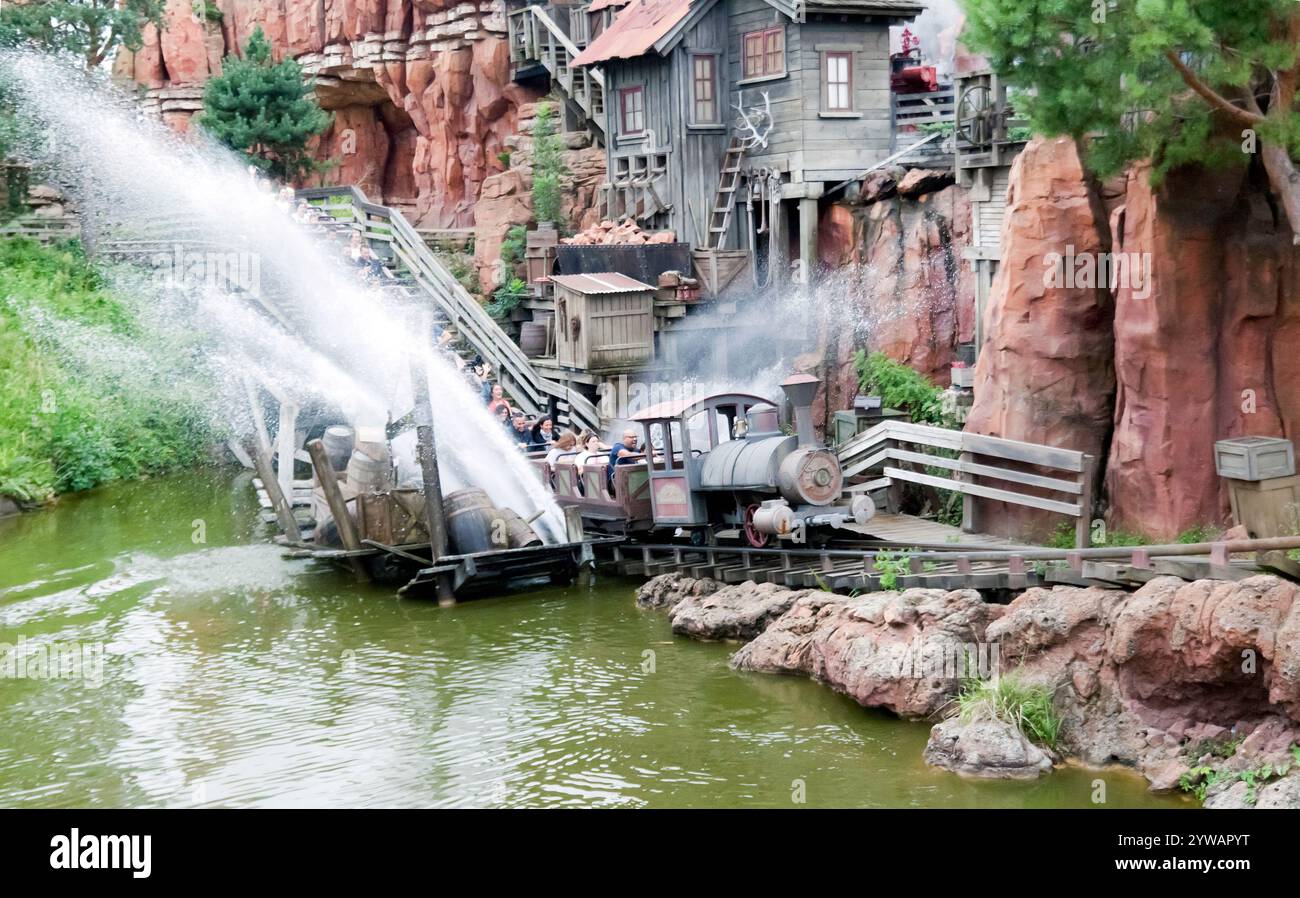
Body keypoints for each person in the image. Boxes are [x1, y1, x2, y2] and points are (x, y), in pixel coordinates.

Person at [606, 428, 640, 493]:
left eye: (636, 437)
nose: (635, 439)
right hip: (616, 481)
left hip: (632, 478)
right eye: (631, 437)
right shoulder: (617, 447)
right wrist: (648, 454)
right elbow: (629, 455)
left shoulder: (636, 450)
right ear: (624, 438)